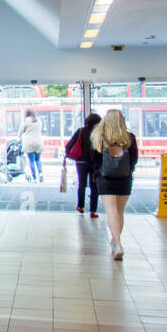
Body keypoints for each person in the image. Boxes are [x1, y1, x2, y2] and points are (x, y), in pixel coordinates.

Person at [91, 109, 139, 260]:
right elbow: (134, 159)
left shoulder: (99, 137)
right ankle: (116, 242)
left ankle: (117, 243)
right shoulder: (129, 138)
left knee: (111, 211)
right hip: (124, 178)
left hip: (105, 179)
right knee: (119, 212)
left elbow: (94, 159)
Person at [66, 112, 101, 217]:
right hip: (94, 163)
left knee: (82, 184)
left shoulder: (80, 131)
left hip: (81, 162)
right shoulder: (98, 133)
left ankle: (80, 206)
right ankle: (93, 211)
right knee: (94, 186)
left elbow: (70, 144)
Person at [18, 109, 44, 182]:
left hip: (29, 143)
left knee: (31, 161)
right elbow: (40, 130)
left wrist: (20, 138)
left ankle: (34, 178)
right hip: (38, 142)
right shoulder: (38, 120)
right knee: (38, 159)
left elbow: (20, 133)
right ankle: (41, 173)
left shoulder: (25, 121)